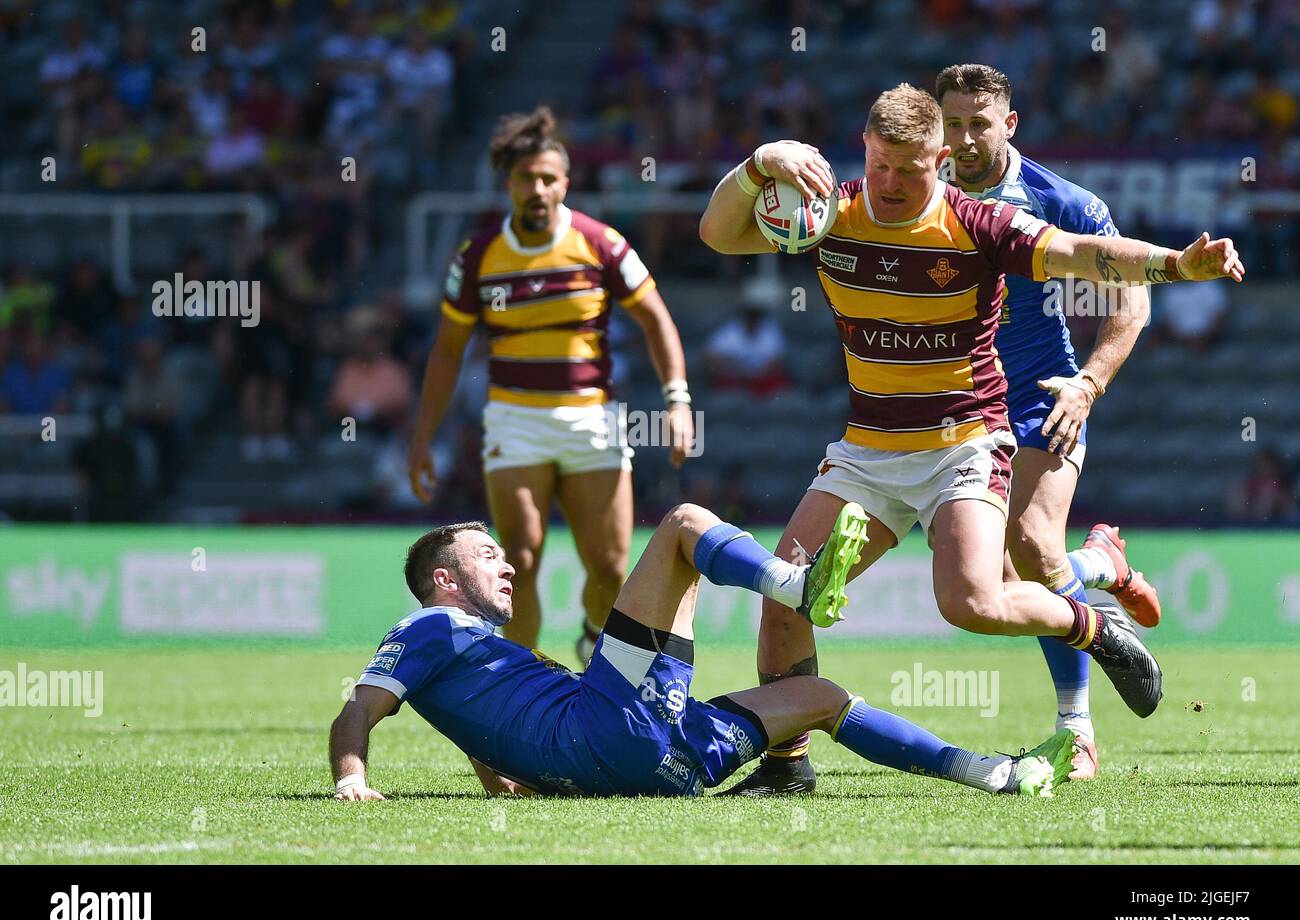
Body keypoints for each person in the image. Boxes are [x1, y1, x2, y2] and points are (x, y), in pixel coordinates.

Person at [698, 82, 1242, 795]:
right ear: (864, 149)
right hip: (867, 448)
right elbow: (718, 233)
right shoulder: (831, 212)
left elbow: (1083, 252)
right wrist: (758, 163)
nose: (891, 182)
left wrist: (1176, 264)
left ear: (941, 156)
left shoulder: (980, 224)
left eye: (910, 167)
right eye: (880, 163)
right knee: (786, 594)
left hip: (964, 444)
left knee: (972, 602)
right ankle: (787, 765)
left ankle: (1093, 625)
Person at [330, 502, 1085, 800]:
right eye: (486, 554)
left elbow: (484, 722)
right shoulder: (426, 626)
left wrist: (506, 783)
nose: (506, 563)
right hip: (608, 724)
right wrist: (351, 780)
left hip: (658, 764)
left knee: (820, 699)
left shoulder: (468, 652)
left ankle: (994, 774)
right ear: (442, 578)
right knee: (684, 526)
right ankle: (794, 585)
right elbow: (359, 708)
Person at [936, 63, 1162, 781]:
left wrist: (1088, 385)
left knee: (1033, 550)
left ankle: (1078, 731)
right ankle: (1103, 564)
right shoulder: (917, 189)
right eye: (953, 123)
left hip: (1041, 396)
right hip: (956, 405)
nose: (965, 137)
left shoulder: (1058, 200)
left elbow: (1132, 298)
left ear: (1011, 124)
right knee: (997, 580)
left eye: (980, 122)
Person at [407, 106, 694, 663]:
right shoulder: (478, 255)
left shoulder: (601, 243)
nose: (537, 189)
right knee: (519, 557)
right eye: (524, 178)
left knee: (610, 569)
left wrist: (677, 401)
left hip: (592, 417)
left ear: (565, 182)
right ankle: (525, 680)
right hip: (515, 421)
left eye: (547, 178)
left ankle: (592, 636)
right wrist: (422, 438)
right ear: (508, 184)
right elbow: (446, 350)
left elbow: (657, 319)